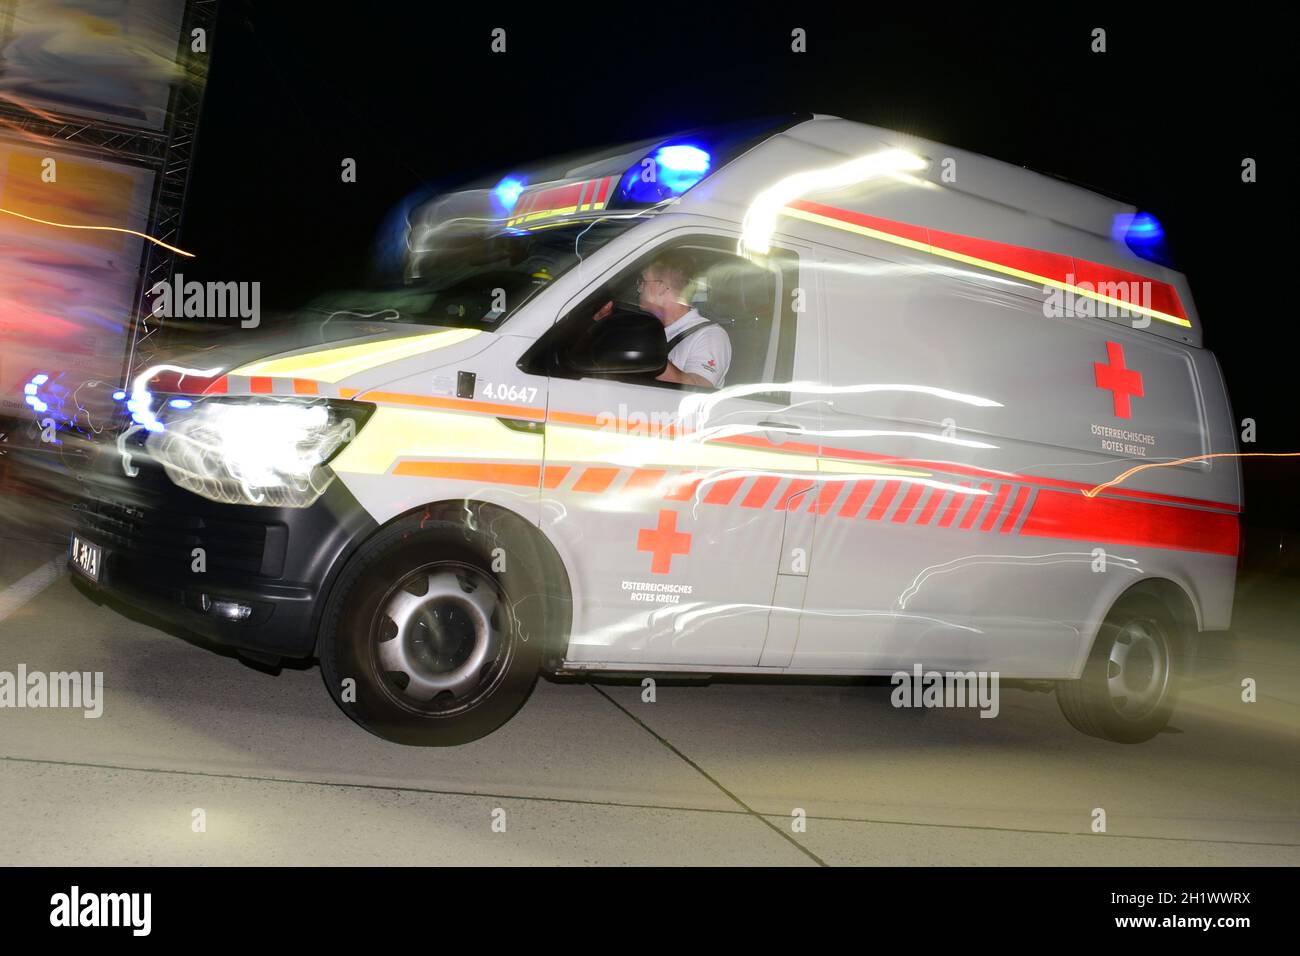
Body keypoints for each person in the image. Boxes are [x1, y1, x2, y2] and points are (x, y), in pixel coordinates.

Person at [592, 252, 731, 388]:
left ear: (663, 287)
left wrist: (645, 351)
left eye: (643, 281)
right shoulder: (649, 329)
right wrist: (603, 326)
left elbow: (698, 390)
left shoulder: (710, 335)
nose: (639, 288)